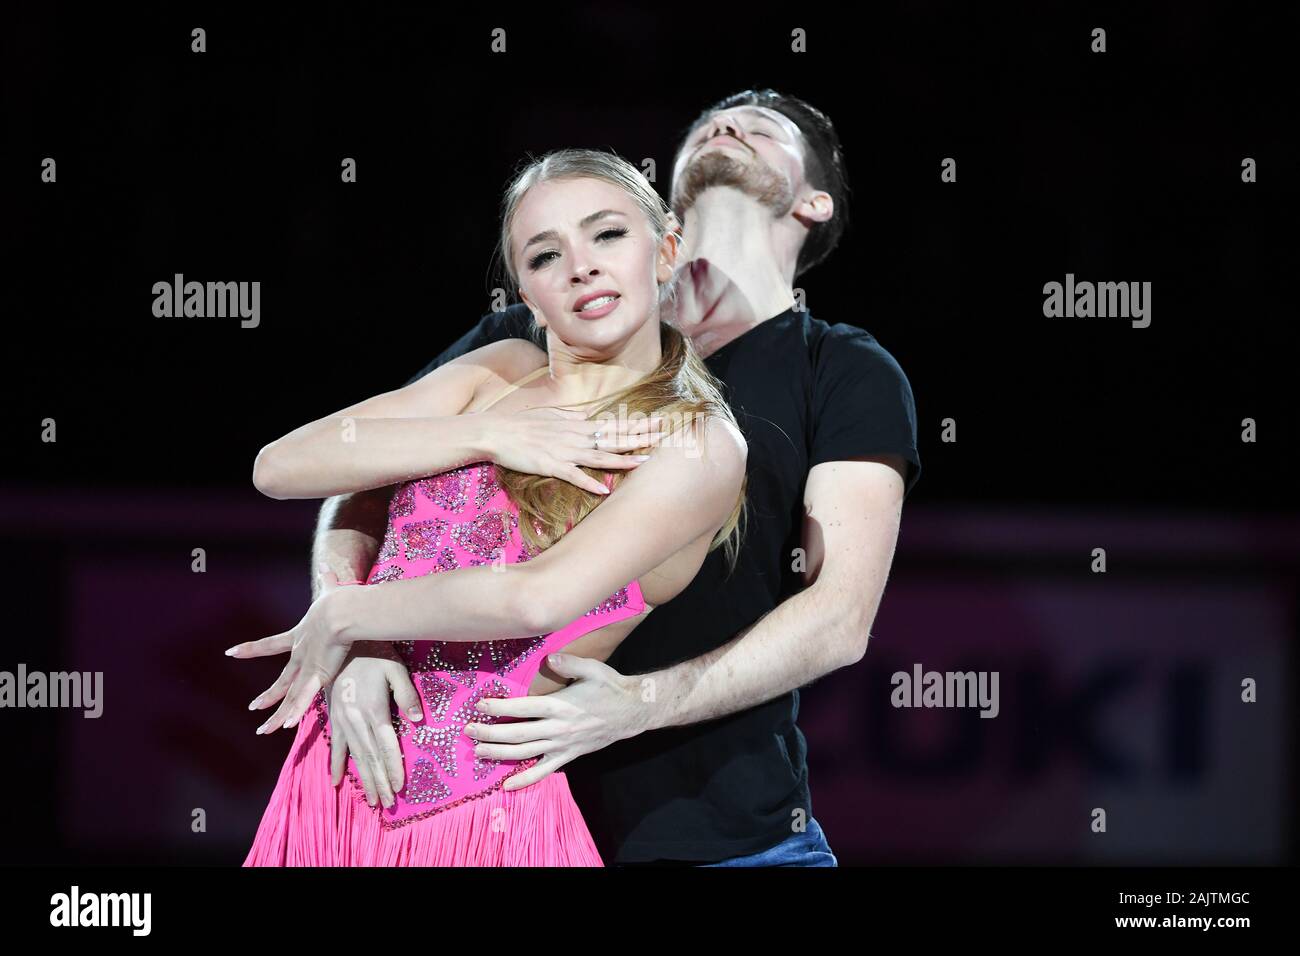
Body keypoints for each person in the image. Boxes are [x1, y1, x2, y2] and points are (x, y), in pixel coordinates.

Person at [315, 89, 922, 866]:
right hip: (482, 820)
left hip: (721, 837)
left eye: (762, 128)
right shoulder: (534, 335)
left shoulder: (841, 369)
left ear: (814, 202)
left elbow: (837, 618)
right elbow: (362, 478)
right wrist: (356, 630)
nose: (728, 126)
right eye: (709, 123)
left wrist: (640, 705)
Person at [231, 148, 748, 865]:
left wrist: (350, 616)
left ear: (664, 251)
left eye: (607, 235)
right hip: (331, 785)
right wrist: (486, 433)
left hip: (485, 820)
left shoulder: (699, 444)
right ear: (527, 298)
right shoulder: (496, 378)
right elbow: (281, 466)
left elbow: (533, 600)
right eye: (544, 255)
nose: (580, 266)